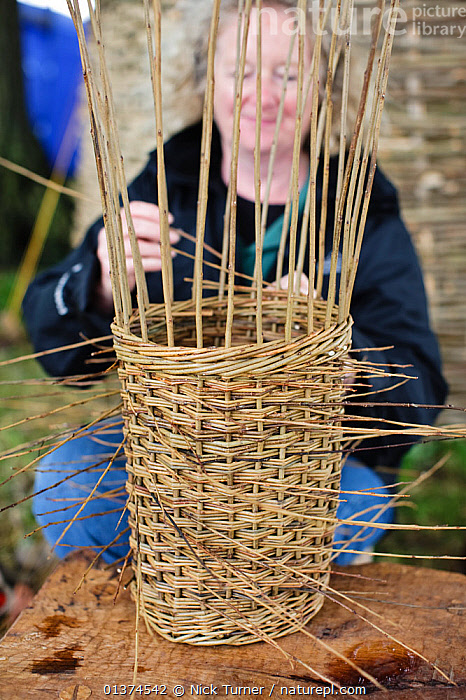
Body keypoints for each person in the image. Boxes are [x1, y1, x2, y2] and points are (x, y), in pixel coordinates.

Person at [23, 1, 447, 565]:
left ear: (324, 87)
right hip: (172, 462)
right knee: (69, 483)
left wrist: (340, 353)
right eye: (240, 73)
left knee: (355, 505)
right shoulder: (166, 185)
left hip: (313, 470)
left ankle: (230, 593)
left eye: (288, 75)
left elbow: (419, 394)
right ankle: (179, 604)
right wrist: (99, 282)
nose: (262, 96)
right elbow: (53, 342)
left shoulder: (360, 210)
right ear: (206, 81)